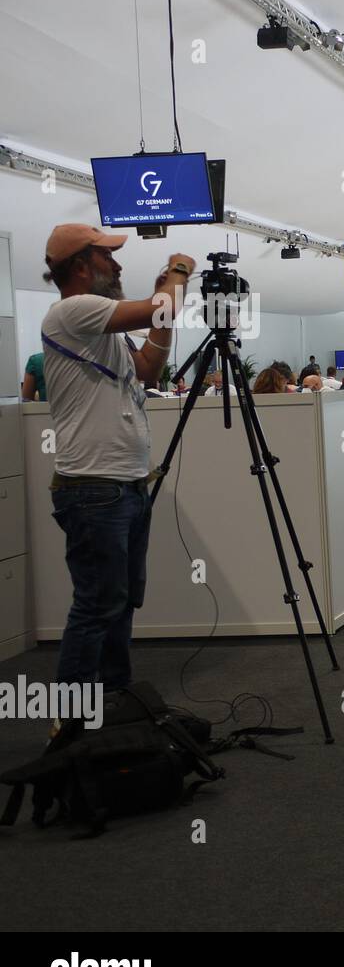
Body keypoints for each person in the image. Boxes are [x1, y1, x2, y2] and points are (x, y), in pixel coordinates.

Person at [39, 224, 193, 689]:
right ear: (81, 267)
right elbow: (162, 305)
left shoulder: (100, 329)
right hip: (95, 488)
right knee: (97, 604)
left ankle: (111, 706)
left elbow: (147, 368)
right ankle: (72, 723)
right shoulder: (74, 310)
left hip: (121, 486)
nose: (119, 263)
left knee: (118, 602)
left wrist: (160, 314)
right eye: (108, 256)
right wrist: (180, 269)